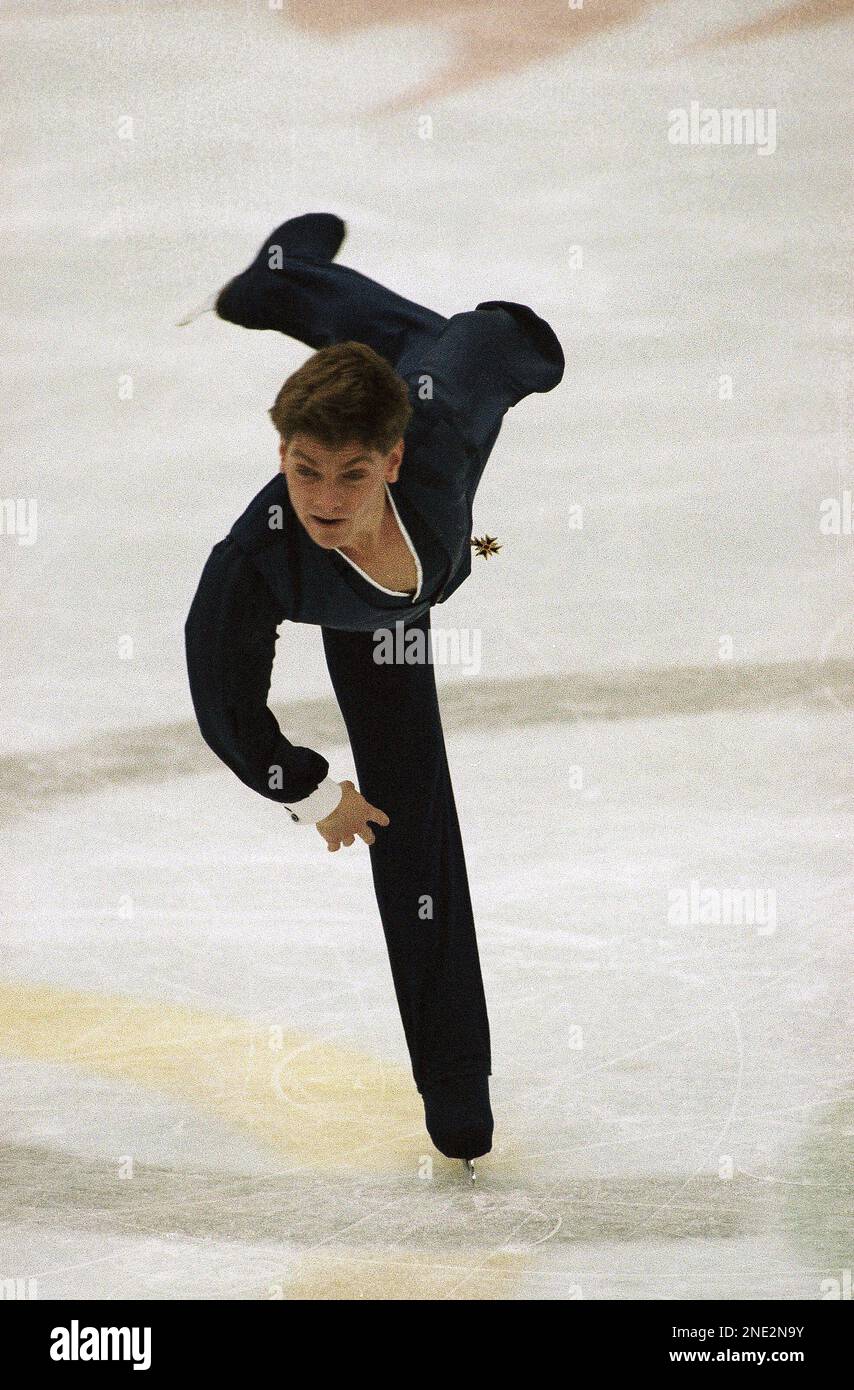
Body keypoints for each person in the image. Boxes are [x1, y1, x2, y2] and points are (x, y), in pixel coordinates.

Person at [183, 213, 565, 1170]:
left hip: (394, 609)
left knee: (423, 355)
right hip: (346, 603)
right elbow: (222, 693)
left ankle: (285, 278)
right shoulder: (262, 554)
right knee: (394, 816)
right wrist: (308, 787)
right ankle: (284, 279)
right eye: (303, 468)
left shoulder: (434, 438)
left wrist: (532, 347)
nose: (323, 497)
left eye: (350, 473)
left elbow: (485, 345)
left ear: (391, 463)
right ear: (281, 457)